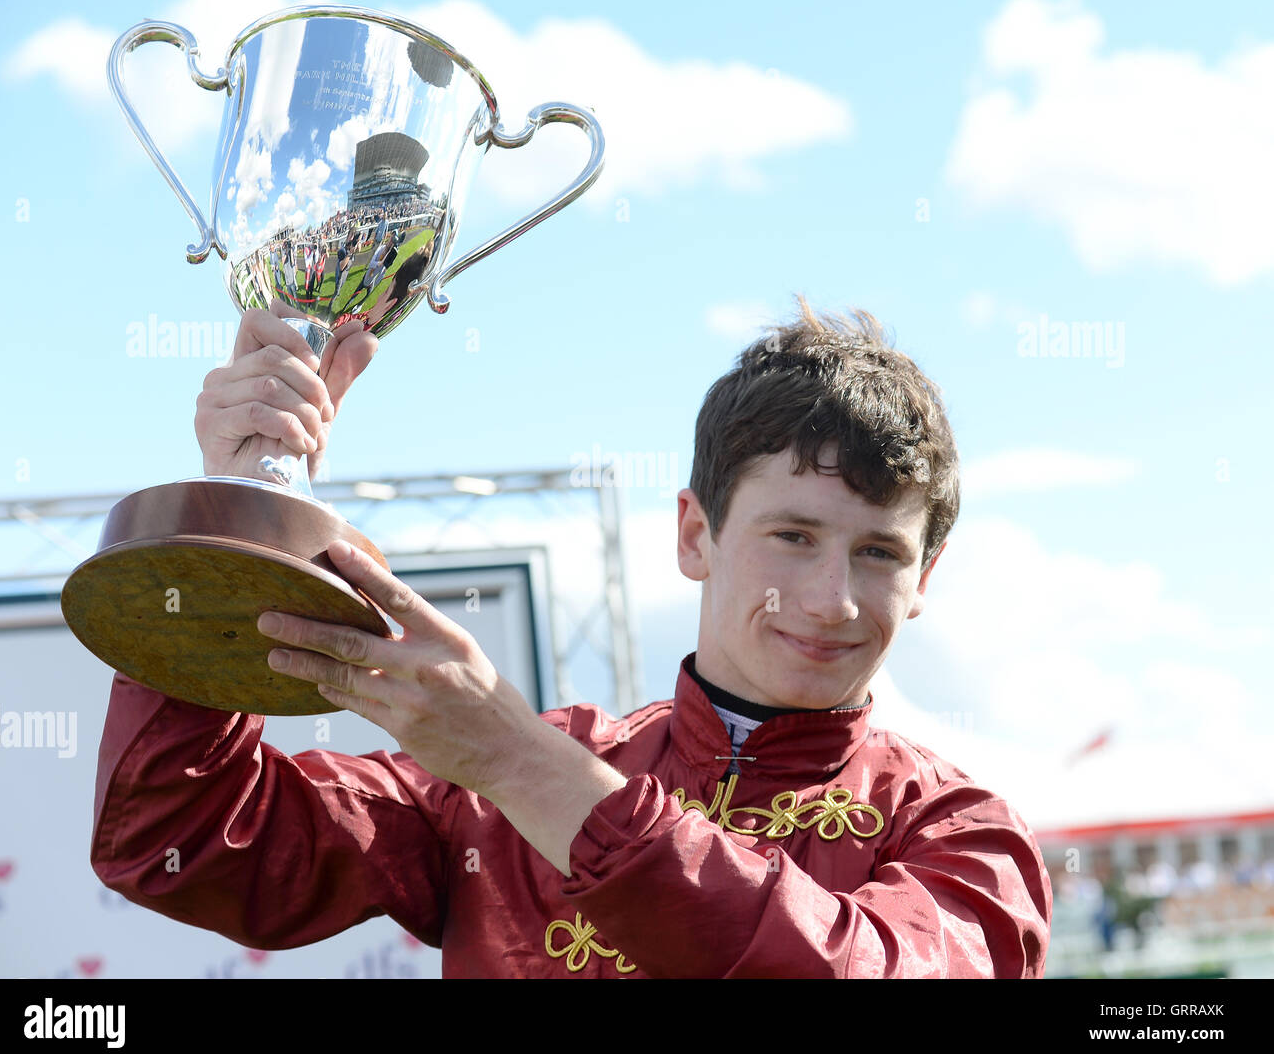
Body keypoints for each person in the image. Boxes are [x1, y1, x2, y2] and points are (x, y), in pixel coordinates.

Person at [90, 300, 1051, 978]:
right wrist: (241, 512)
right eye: (792, 536)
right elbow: (178, 840)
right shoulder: (493, 780)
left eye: (880, 551)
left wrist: (520, 762)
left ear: (924, 578)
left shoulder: (963, 831)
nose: (833, 599)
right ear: (694, 534)